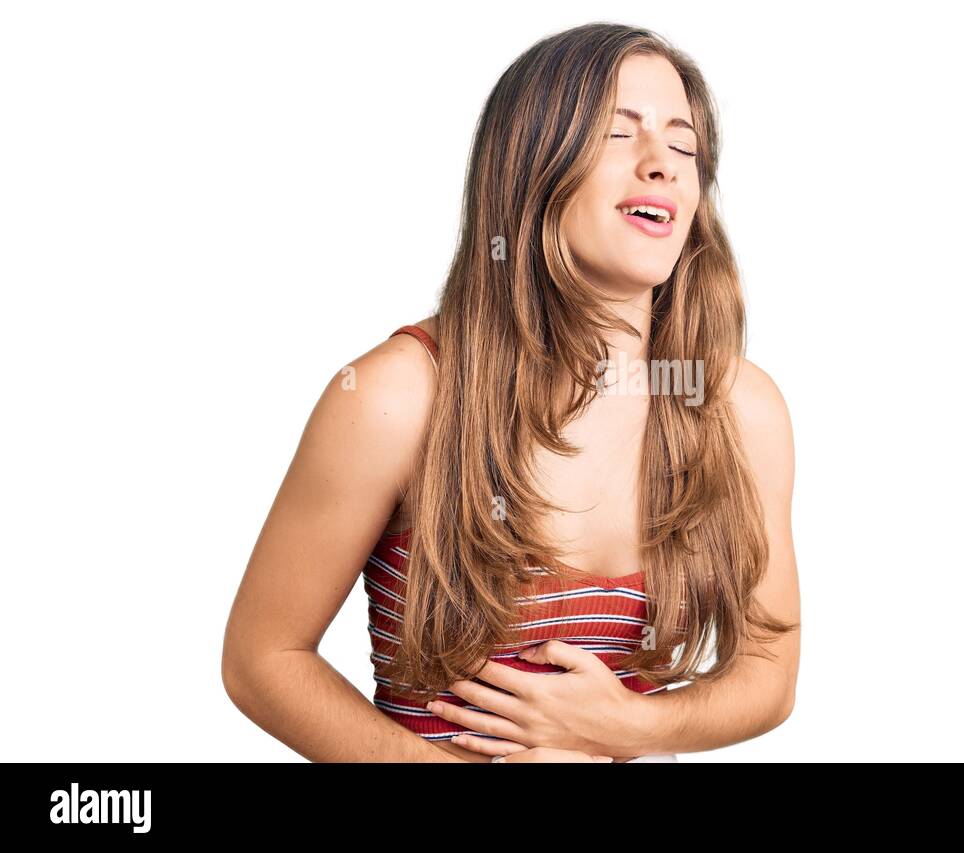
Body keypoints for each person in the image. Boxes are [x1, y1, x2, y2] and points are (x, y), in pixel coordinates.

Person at [222, 21, 800, 763]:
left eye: (683, 147)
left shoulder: (740, 408)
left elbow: (769, 673)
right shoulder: (397, 396)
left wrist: (632, 726)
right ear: (534, 165)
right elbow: (262, 659)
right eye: (619, 134)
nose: (662, 165)